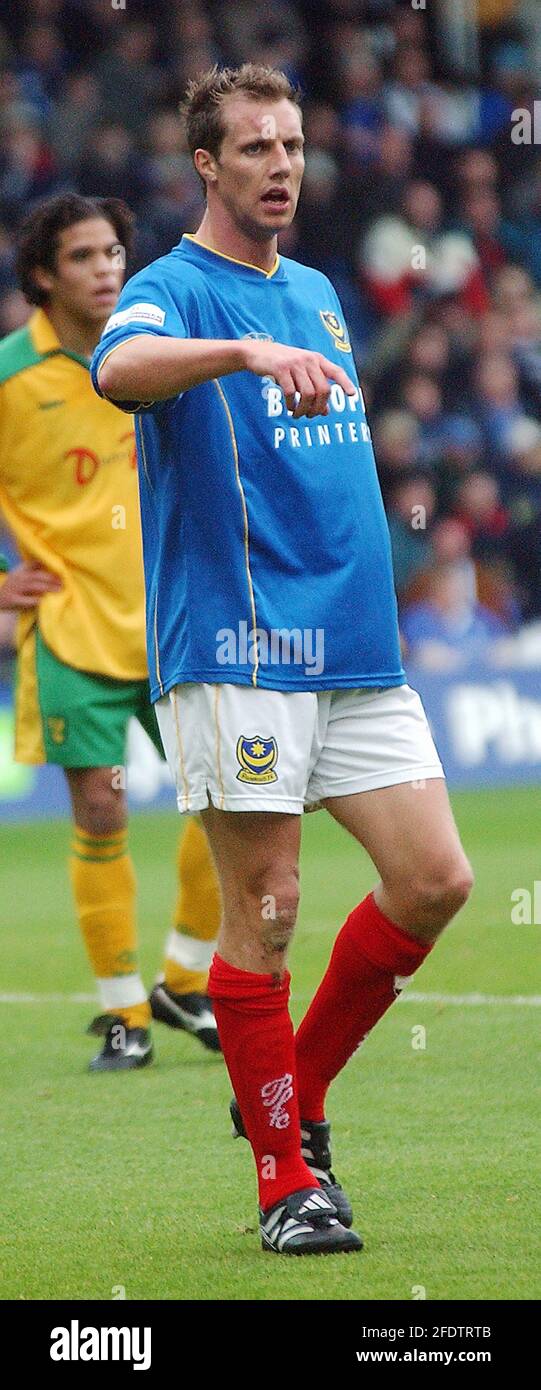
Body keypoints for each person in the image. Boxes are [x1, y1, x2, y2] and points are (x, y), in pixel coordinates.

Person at [92, 64, 473, 1256]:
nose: (282, 166)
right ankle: (282, 1185)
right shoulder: (172, 288)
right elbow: (118, 370)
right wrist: (241, 356)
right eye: (255, 148)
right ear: (206, 164)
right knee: (269, 910)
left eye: (294, 145)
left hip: (357, 647)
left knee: (435, 880)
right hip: (242, 646)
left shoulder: (312, 289)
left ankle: (294, 1101)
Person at [0, 194, 222, 1070]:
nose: (106, 269)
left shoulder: (158, 355)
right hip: (72, 629)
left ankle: (186, 978)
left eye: (114, 253)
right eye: (85, 256)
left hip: (181, 614)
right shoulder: (13, 378)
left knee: (230, 803)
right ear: (44, 275)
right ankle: (124, 1011)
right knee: (100, 806)